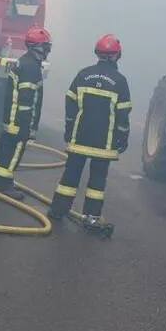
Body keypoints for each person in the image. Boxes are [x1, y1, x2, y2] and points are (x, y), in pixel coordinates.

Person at [47, 34, 131, 237]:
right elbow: (123, 114)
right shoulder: (120, 81)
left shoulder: (83, 74)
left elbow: (70, 105)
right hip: (104, 143)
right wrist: (123, 138)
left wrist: (69, 130)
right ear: (118, 55)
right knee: (97, 181)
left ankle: (58, 211)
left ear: (97, 53)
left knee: (70, 175)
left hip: (79, 138)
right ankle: (91, 216)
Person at [0, 24, 52, 200]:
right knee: (15, 149)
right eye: (46, 47)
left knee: (4, 146)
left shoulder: (24, 62)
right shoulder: (31, 68)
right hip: (19, 120)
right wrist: (28, 126)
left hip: (11, 117)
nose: (48, 51)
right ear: (39, 48)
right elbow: (27, 100)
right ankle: (3, 183)